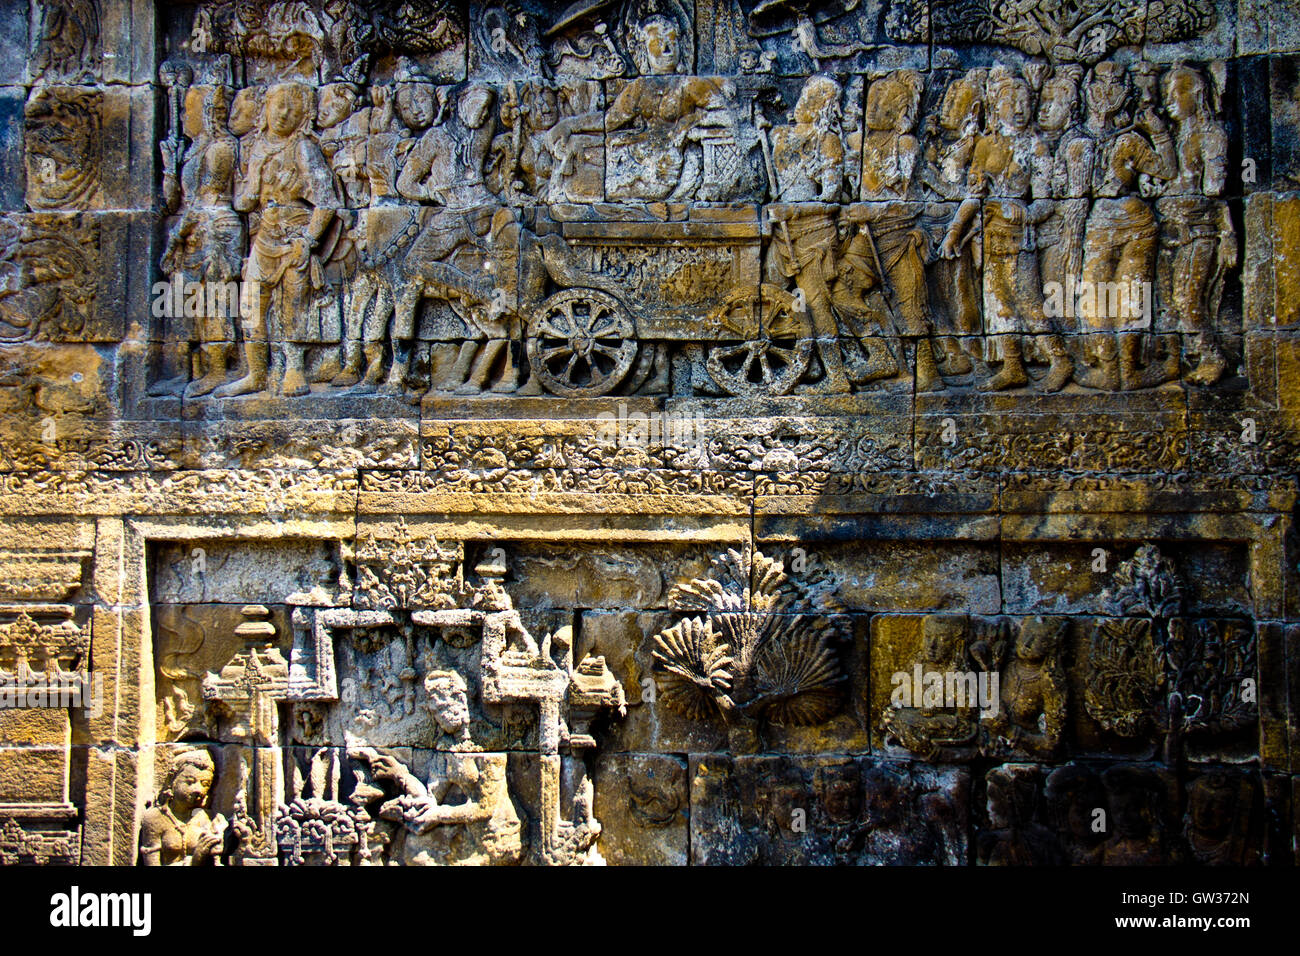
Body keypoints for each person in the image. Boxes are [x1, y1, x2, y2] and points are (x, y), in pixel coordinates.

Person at [139, 748, 226, 865]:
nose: (198, 790)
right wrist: (194, 860)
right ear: (172, 781)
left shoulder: (205, 818)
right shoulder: (154, 819)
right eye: (190, 782)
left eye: (205, 784)